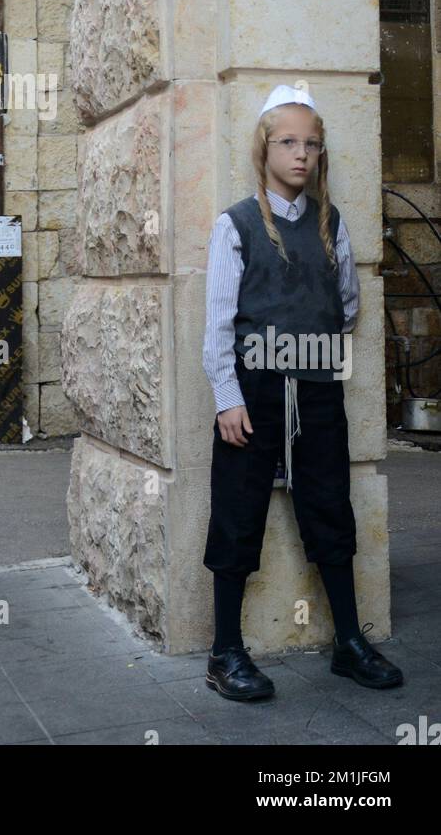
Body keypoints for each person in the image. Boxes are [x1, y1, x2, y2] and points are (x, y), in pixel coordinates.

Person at [202, 82, 403, 702]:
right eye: (288, 142)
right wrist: (227, 396)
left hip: (315, 389)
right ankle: (226, 651)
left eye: (311, 145)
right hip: (254, 393)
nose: (301, 155)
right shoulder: (235, 225)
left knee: (330, 508)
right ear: (264, 148)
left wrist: (305, 349)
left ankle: (348, 641)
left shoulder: (329, 224)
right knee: (238, 513)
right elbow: (217, 321)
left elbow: (345, 307)